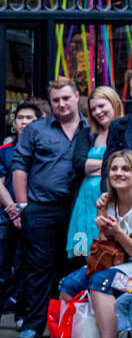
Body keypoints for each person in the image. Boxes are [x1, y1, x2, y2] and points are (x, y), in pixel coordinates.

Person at [12, 78, 89, 338]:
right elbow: (20, 167)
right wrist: (23, 206)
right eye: (56, 100)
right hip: (41, 208)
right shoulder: (36, 130)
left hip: (79, 209)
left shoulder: (91, 128)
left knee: (76, 265)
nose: (61, 104)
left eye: (66, 98)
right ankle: (34, 324)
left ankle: (72, 325)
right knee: (37, 268)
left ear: (77, 97)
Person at [53, 149, 132, 338]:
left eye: (125, 169)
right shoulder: (107, 201)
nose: (119, 173)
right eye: (114, 168)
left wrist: (117, 232)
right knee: (68, 285)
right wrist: (105, 227)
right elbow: (106, 247)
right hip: (118, 262)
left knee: (101, 281)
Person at [0, 101, 42, 328]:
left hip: (35, 216)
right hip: (6, 215)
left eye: (30, 118)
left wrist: (24, 209)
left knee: (27, 268)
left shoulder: (42, 152)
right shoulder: (4, 151)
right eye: (20, 118)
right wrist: (13, 208)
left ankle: (22, 315)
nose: (24, 122)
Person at [66, 86, 121, 260]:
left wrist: (100, 167)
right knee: (85, 253)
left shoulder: (125, 130)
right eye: (93, 109)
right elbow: (79, 163)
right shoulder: (87, 133)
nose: (98, 112)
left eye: (102, 106)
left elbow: (128, 163)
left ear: (114, 103)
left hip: (114, 198)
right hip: (86, 199)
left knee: (111, 250)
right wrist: (110, 164)